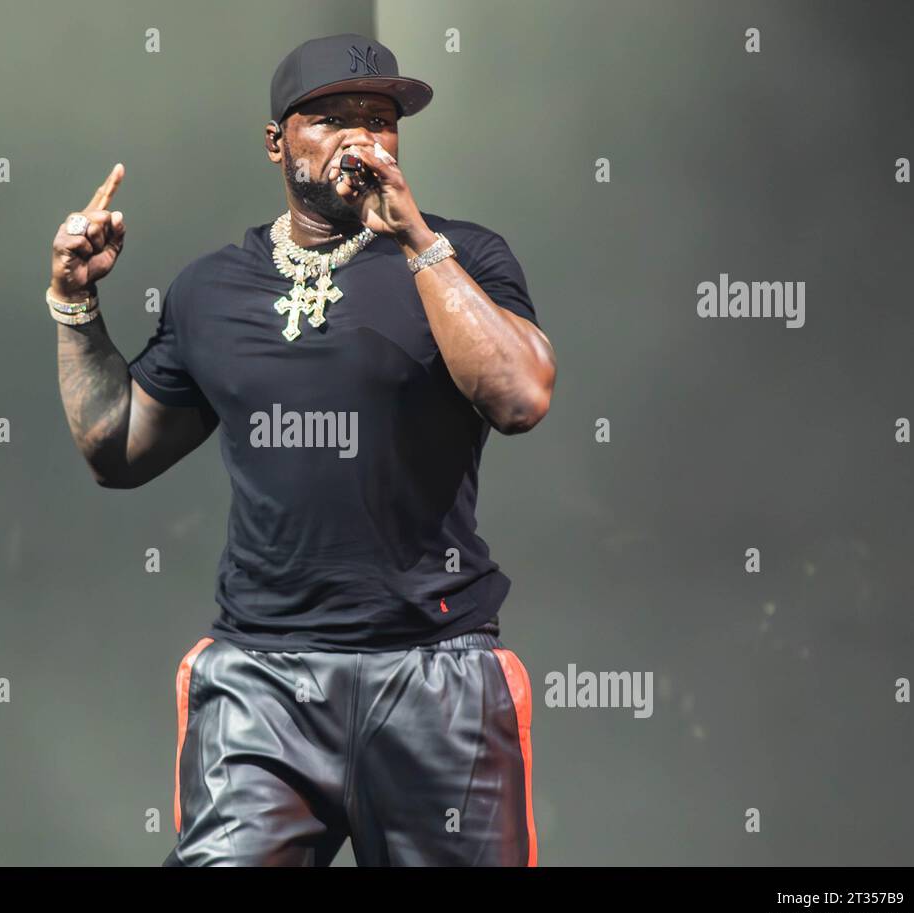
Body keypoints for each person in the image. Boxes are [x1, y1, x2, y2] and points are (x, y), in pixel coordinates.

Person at [49, 33, 556, 865]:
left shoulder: (463, 254)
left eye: (381, 119)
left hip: (435, 676)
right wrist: (74, 303)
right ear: (277, 141)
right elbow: (117, 448)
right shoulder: (210, 288)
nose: (363, 137)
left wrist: (418, 241)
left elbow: (520, 397)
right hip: (263, 681)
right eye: (332, 118)